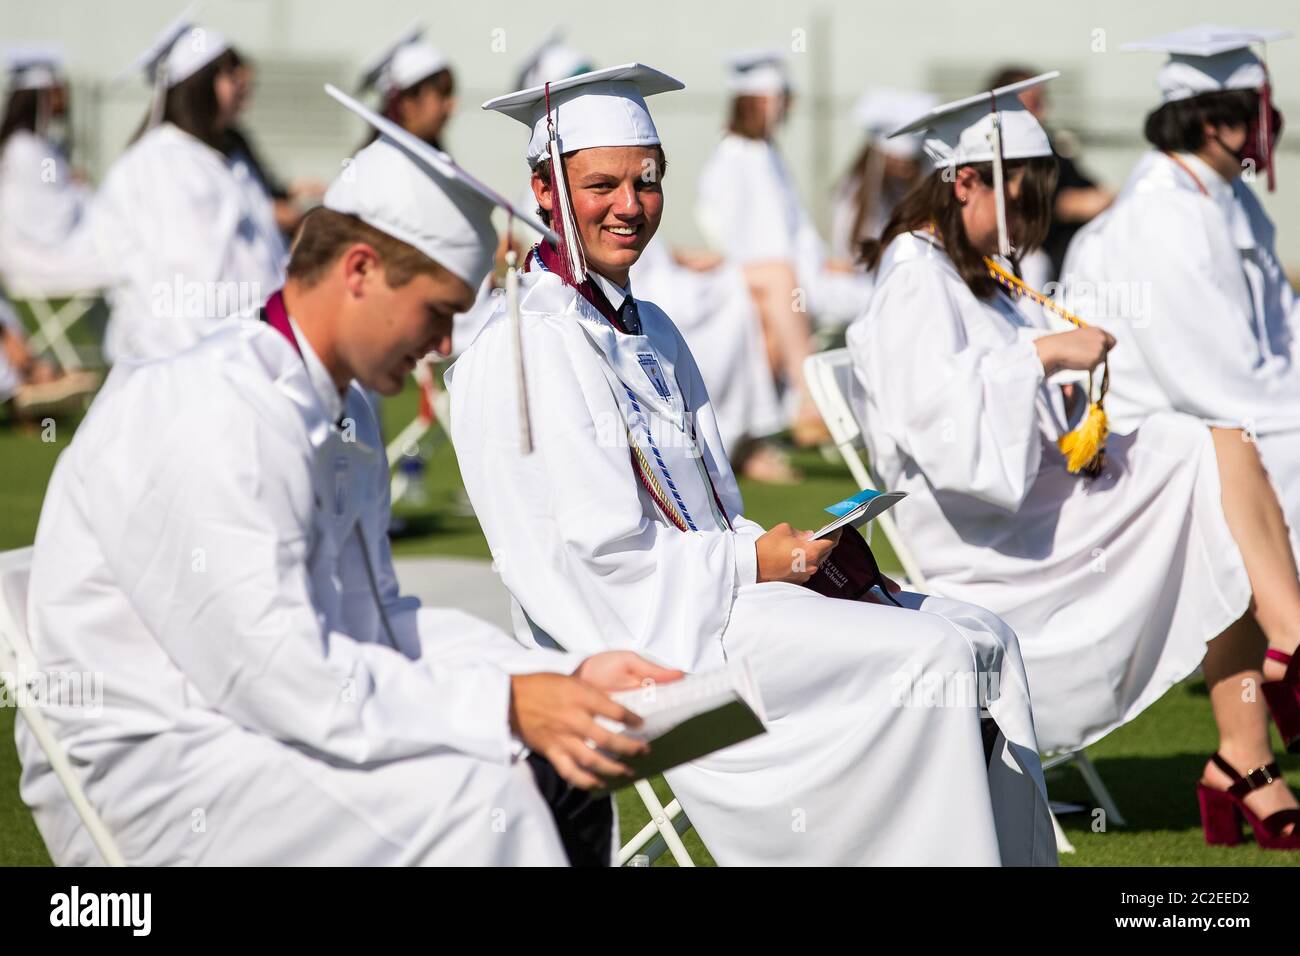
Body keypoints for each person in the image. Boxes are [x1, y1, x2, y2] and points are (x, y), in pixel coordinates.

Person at [16, 84, 682, 866]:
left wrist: (556, 672)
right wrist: (506, 702)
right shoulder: (207, 406)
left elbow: (378, 622)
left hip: (269, 723)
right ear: (361, 269)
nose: (441, 345)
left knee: (553, 760)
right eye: (437, 311)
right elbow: (274, 676)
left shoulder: (347, 411)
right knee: (489, 796)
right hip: (170, 767)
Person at [448, 62, 1056, 866]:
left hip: (722, 598)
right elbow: (596, 563)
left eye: (648, 181)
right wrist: (750, 560)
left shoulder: (653, 327)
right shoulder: (527, 346)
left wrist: (781, 552)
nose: (630, 205)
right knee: (932, 659)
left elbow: (712, 510)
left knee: (983, 635)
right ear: (546, 191)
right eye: (602, 184)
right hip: (652, 641)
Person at [849, 72, 1300, 849]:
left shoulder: (983, 268)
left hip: (1038, 500)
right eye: (1025, 197)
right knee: (1211, 464)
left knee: (1214, 448)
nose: (1036, 217)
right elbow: (941, 430)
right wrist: (1046, 352)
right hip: (991, 539)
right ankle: (1268, 707)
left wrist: (1054, 372)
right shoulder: (914, 278)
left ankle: (1253, 742)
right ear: (964, 183)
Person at [1063, 28, 1300, 566]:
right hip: (1163, 436)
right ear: (1212, 124)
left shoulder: (1228, 197)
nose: (1268, 135)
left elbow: (1284, 325)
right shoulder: (1161, 214)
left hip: (1234, 412)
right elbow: (1210, 377)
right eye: (1256, 118)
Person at [697, 50, 874, 446]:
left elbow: (792, 234)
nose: (789, 105)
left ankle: (776, 426)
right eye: (783, 96)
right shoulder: (732, 160)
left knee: (857, 291)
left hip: (794, 274)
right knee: (784, 302)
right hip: (766, 276)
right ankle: (809, 400)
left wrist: (827, 263)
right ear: (761, 102)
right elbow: (752, 244)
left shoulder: (766, 155)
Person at [91, 11, 286, 363]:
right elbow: (182, 285)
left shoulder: (219, 157)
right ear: (198, 84)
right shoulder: (161, 164)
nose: (242, 83)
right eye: (228, 74)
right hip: (193, 354)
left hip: (249, 337)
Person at [986, 65, 1113, 285]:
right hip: (1019, 257)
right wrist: (1063, 204)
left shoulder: (1048, 146)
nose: (1043, 111)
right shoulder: (990, 147)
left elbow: (1087, 187)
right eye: (1034, 102)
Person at [0, 48, 113, 291]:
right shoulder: (24, 148)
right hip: (36, 258)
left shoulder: (38, 145)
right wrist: (78, 190)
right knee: (122, 256)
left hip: (43, 250)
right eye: (55, 92)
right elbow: (49, 219)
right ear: (38, 97)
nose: (64, 98)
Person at [829, 88, 935, 263]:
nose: (905, 166)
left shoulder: (919, 192)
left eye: (911, 161)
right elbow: (846, 253)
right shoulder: (853, 195)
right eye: (897, 159)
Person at [356, 23, 456, 151]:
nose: (452, 105)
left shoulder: (435, 159)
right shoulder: (377, 165)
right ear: (407, 103)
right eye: (443, 94)